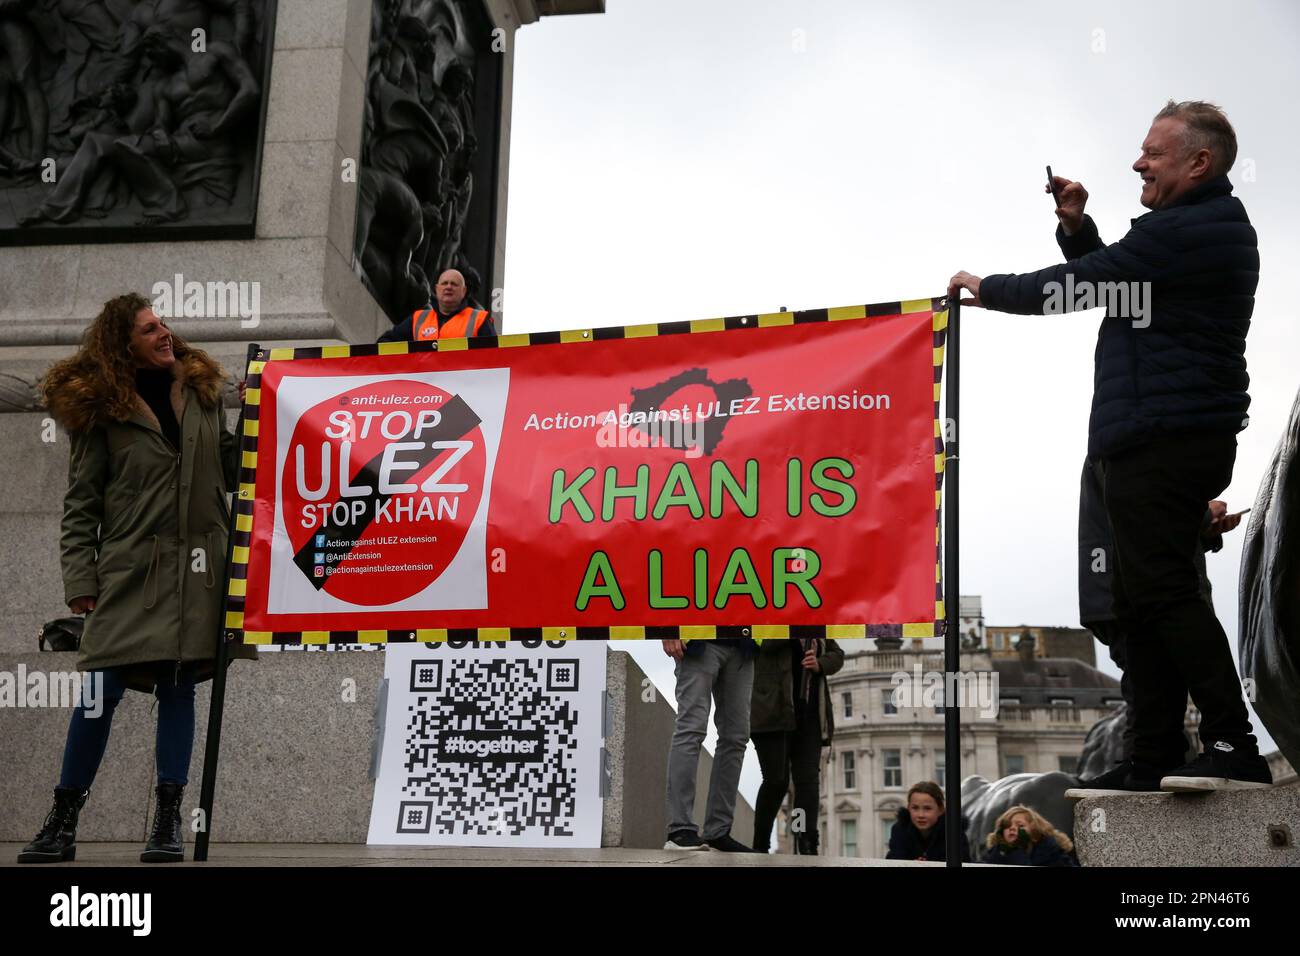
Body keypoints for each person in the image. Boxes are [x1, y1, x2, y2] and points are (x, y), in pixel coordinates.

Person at [948, 100, 1270, 792]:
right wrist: (1076, 225)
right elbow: (1123, 287)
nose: (1137, 163)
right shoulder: (1189, 233)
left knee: (1165, 592)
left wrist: (989, 287)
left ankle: (1231, 742)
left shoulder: (1193, 230)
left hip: (1165, 438)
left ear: (1199, 163)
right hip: (1156, 436)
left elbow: (1083, 287)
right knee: (1141, 601)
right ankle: (1150, 754)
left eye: (1153, 152)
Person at [18, 292, 253, 864]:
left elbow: (231, 469)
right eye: (149, 329)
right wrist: (81, 579)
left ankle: (167, 820)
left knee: (178, 688)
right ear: (123, 343)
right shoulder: (101, 410)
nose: (163, 333)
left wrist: (254, 414)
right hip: (128, 574)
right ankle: (63, 819)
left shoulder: (200, 391)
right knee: (98, 693)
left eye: (163, 323)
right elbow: (81, 504)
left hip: (197, 573)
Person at [1076, 457, 1245, 780]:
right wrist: (1202, 515)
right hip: (1142, 585)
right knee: (1165, 679)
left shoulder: (1113, 434)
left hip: (1119, 584)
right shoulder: (1131, 434)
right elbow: (1146, 507)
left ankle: (1153, 760)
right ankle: (1221, 747)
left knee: (1151, 688)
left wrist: (1202, 527)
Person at [662, 635, 757, 852]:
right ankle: (680, 830)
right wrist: (667, 627)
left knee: (736, 737)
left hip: (743, 643)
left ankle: (718, 832)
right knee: (691, 729)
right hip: (699, 639)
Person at [750, 636, 844, 854]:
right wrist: (791, 627)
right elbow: (762, 643)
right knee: (776, 781)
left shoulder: (815, 623)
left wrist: (820, 663)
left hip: (809, 713)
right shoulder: (771, 615)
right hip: (771, 712)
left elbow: (837, 655)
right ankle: (760, 845)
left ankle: (806, 840)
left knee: (807, 781)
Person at [377, 268, 496, 343]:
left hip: (463, 382)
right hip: (424, 382)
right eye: (444, 283)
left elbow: (494, 355)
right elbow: (386, 342)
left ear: (464, 291)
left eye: (454, 284)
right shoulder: (419, 319)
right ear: (437, 289)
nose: (448, 287)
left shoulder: (479, 320)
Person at [886, 781, 970, 862]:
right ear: (908, 808)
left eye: (927, 808)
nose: (921, 815)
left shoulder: (954, 832)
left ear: (941, 810)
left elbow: (963, 861)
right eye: (915, 808)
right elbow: (895, 859)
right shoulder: (899, 830)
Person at [980, 806, 1078, 867]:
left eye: (1020, 826)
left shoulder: (1051, 853)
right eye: (1007, 825)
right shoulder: (995, 853)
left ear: (1034, 830)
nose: (1012, 828)